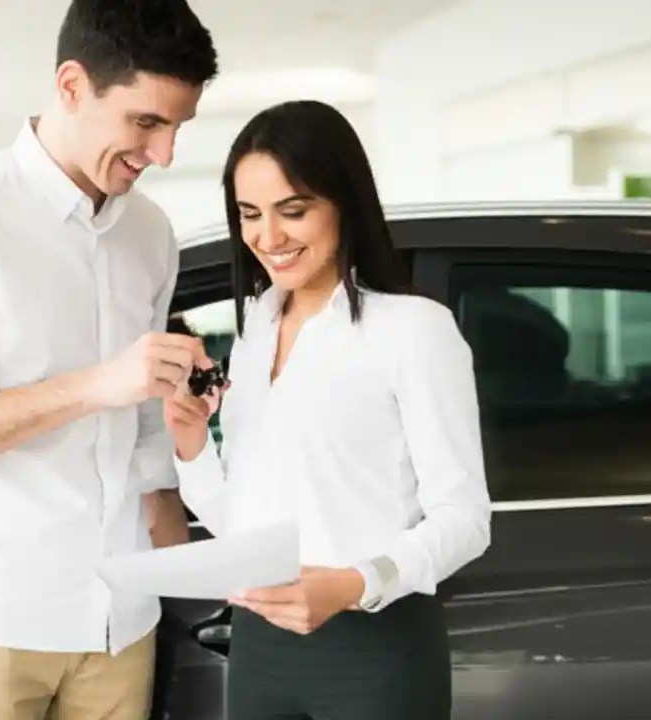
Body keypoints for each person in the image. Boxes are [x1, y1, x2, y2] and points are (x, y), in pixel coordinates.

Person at [0, 1, 218, 717]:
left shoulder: (151, 232)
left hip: (122, 622)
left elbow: (150, 436)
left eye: (177, 128)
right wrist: (102, 384)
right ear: (72, 85)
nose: (162, 155)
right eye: (146, 123)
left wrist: (191, 571)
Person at [163, 100, 493, 719]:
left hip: (376, 652)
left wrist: (354, 583)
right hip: (260, 648)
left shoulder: (415, 331)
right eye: (250, 215)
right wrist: (192, 447)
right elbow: (247, 527)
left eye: (293, 210)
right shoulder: (257, 326)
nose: (268, 237)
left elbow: (466, 519)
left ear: (343, 201)